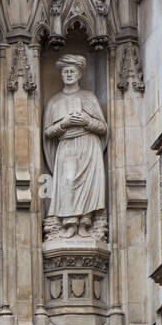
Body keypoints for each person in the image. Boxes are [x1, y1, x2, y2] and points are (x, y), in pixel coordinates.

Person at [43, 55, 107, 239]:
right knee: (69, 183)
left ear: (79, 74)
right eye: (65, 72)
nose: (69, 75)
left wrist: (87, 121)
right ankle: (70, 223)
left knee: (87, 184)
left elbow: (103, 128)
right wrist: (63, 123)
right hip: (67, 146)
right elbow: (48, 132)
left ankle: (85, 223)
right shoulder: (55, 101)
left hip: (88, 145)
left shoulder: (88, 97)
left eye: (72, 71)